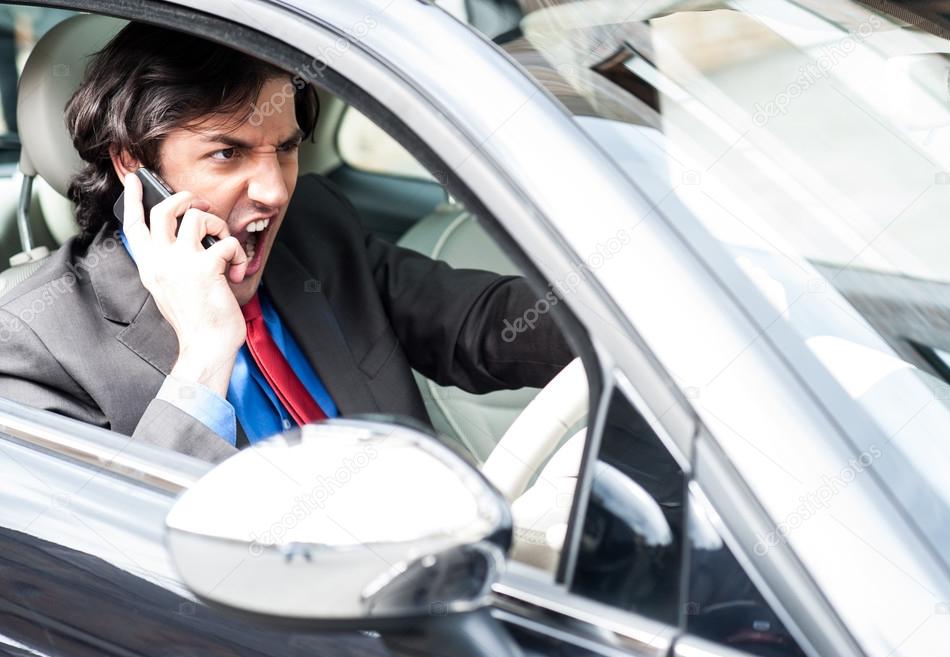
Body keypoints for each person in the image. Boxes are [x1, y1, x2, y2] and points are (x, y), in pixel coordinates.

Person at [0, 21, 573, 462]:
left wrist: (636, 323)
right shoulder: (34, 345)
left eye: (285, 148)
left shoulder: (315, 229)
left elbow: (484, 324)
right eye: (228, 153)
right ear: (133, 165)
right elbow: (112, 563)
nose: (275, 192)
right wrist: (204, 355)